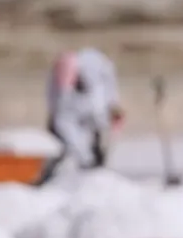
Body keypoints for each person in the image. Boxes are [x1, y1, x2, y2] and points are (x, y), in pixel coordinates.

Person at [36, 47, 125, 184]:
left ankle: (90, 168)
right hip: (77, 124)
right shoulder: (66, 79)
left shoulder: (96, 71)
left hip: (90, 123)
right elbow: (59, 108)